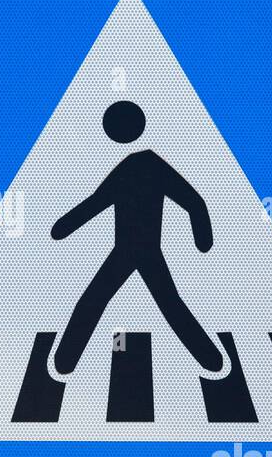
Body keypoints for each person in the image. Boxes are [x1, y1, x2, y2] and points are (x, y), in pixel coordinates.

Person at [50, 100, 224, 376]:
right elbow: (194, 202)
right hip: (134, 251)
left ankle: (65, 361)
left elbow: (96, 203)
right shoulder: (146, 166)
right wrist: (202, 240)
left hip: (135, 251)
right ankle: (211, 359)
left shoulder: (138, 166)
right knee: (166, 303)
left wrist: (62, 228)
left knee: (98, 299)